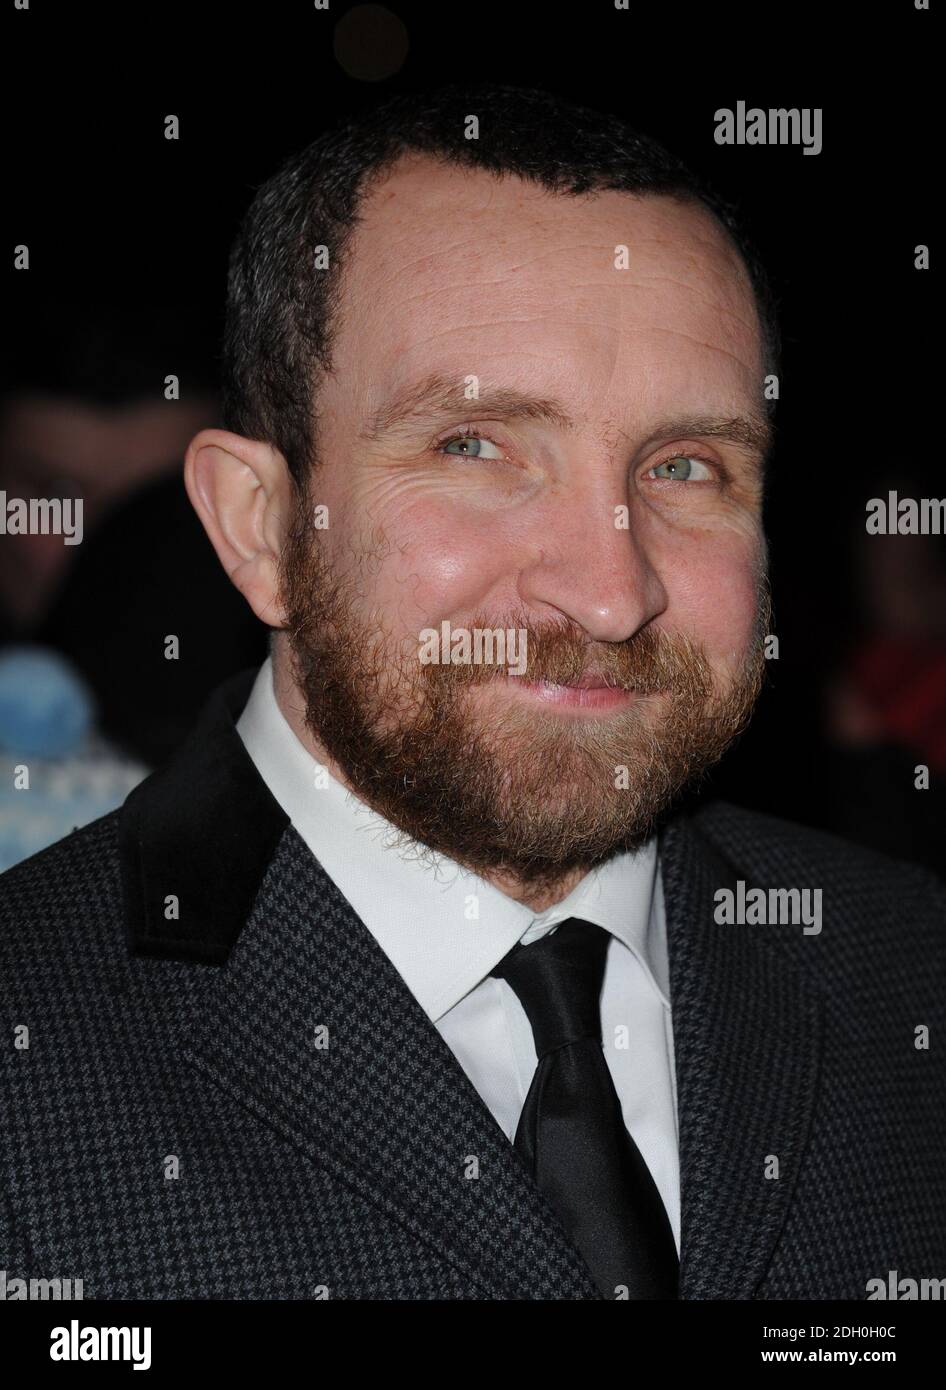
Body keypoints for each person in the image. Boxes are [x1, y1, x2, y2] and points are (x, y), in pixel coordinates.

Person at [1, 84, 943, 1302]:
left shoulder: (908, 971)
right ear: (262, 524)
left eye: (684, 465)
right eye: (477, 447)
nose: (610, 594)